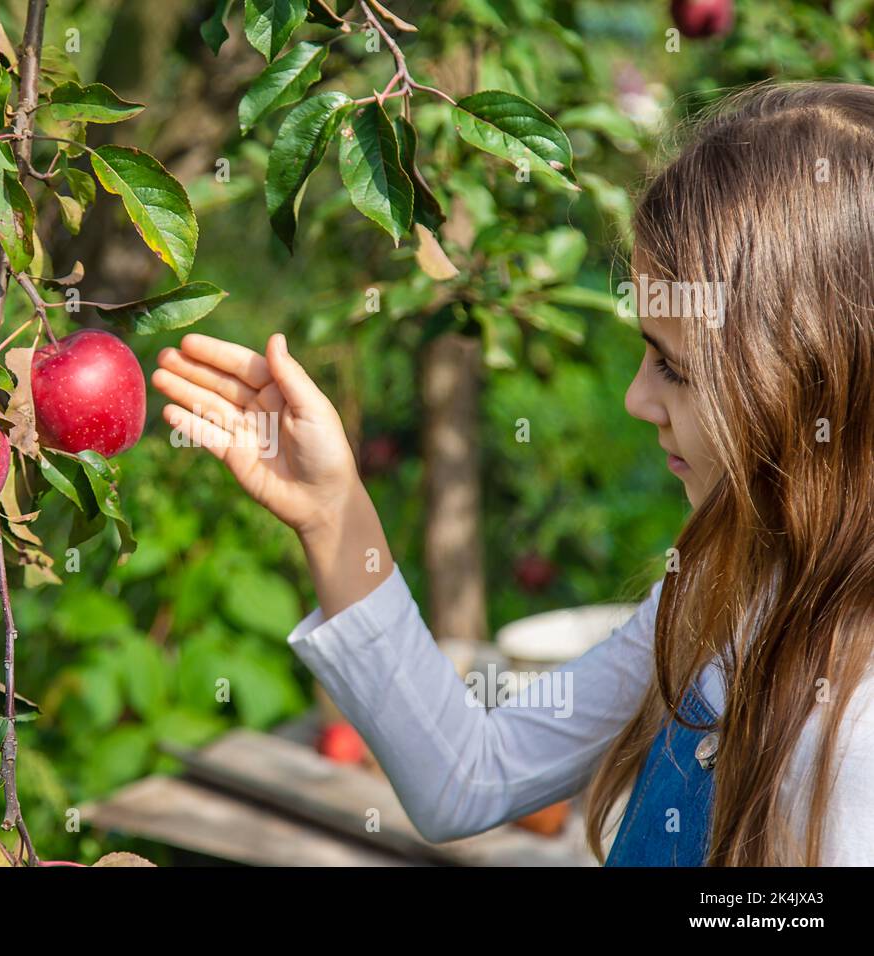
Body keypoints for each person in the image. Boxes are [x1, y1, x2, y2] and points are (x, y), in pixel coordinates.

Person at [151, 81, 874, 866]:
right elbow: (468, 775)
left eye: (677, 369)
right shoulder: (724, 583)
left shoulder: (856, 731)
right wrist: (333, 512)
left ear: (809, 382)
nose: (636, 397)